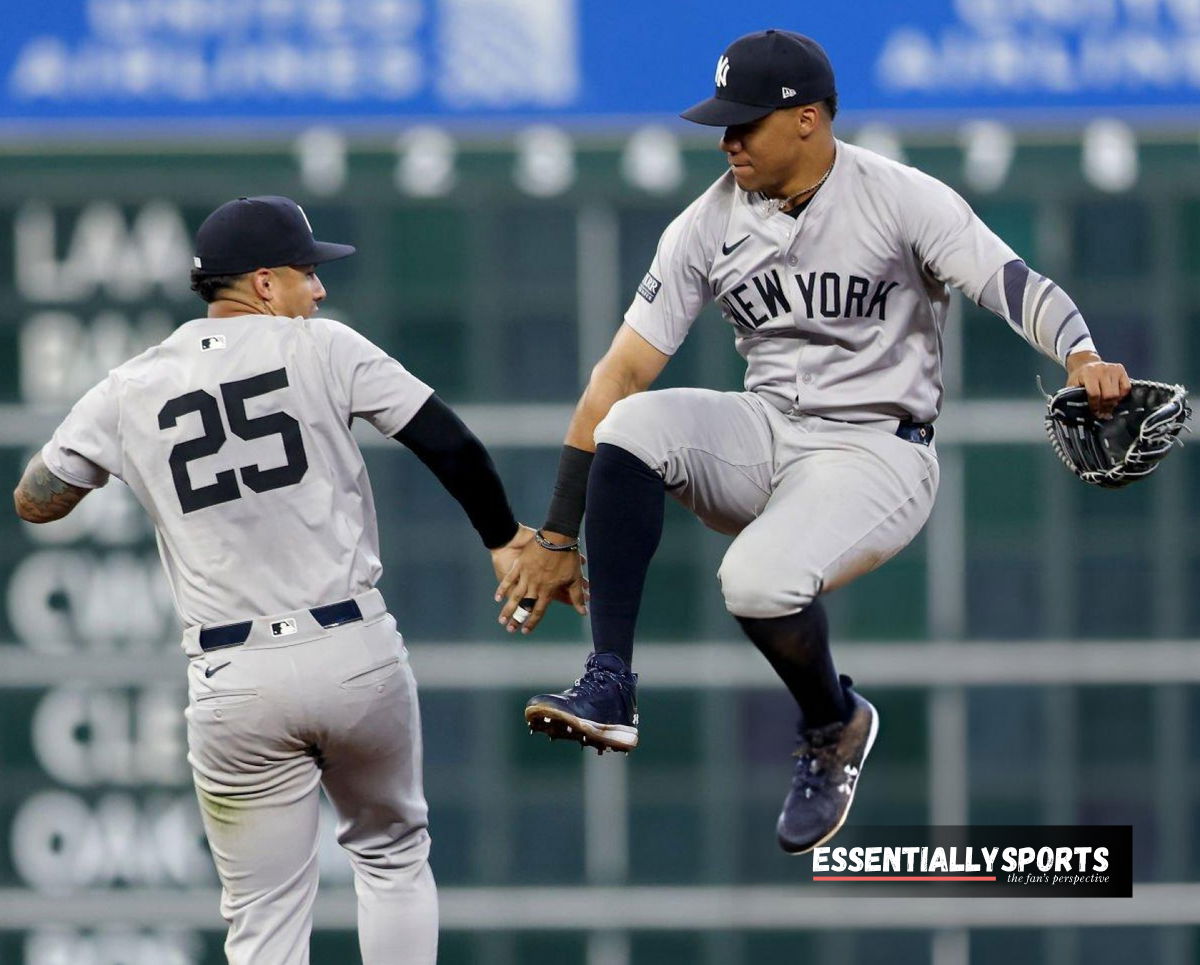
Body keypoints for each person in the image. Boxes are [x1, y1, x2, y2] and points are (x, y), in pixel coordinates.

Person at [495, 30, 1131, 855]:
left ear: (807, 118)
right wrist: (554, 534)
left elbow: (1008, 282)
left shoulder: (898, 196)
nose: (727, 141)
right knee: (631, 424)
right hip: (768, 432)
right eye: (722, 124)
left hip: (877, 450)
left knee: (755, 582)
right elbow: (616, 376)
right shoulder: (706, 224)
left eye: (745, 123)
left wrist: (1081, 353)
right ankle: (611, 682)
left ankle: (833, 722)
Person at [13, 195, 535, 963]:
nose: (318, 288)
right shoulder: (322, 346)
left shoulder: (129, 386)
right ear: (262, 283)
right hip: (352, 649)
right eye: (305, 272)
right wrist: (506, 538)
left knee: (261, 914)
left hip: (235, 677)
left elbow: (35, 498)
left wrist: (125, 464)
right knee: (392, 854)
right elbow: (449, 443)